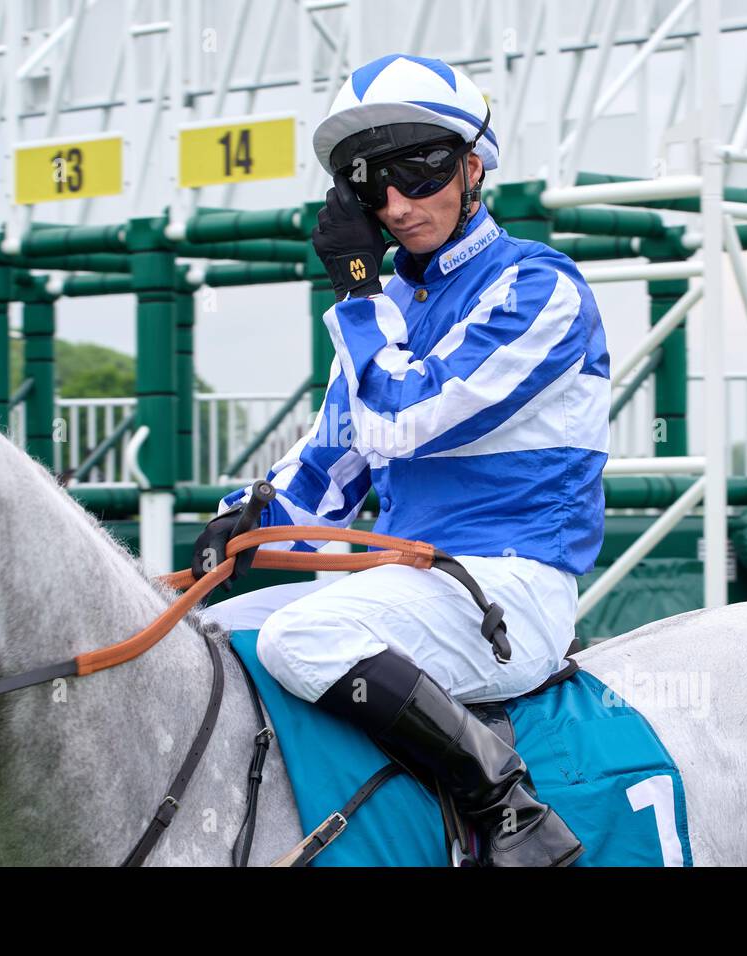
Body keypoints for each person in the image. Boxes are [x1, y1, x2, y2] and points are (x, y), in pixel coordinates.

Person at [197, 54, 609, 866]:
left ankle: (508, 806)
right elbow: (333, 472)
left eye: (418, 174)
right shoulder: (392, 313)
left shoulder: (539, 286)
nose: (396, 204)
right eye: (371, 186)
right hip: (420, 584)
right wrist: (249, 517)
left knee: (300, 638)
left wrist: (357, 291)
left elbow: (399, 421)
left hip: (513, 588)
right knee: (208, 635)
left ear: (473, 164)